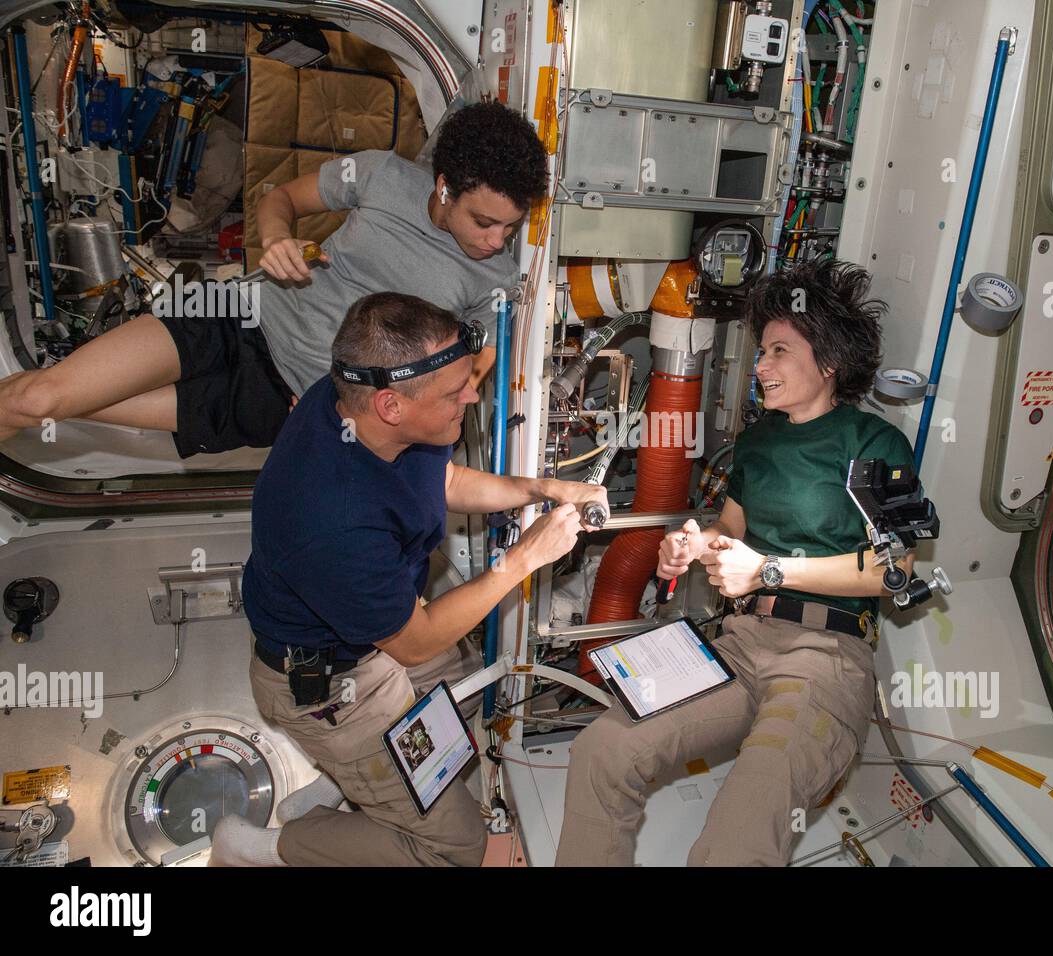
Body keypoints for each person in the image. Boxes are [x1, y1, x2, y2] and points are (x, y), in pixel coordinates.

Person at [209, 292, 606, 867]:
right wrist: (522, 559)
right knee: (456, 850)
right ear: (391, 406)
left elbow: (443, 482)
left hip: (374, 637)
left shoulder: (356, 400)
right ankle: (260, 848)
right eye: (456, 393)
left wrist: (543, 490)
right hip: (334, 688)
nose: (472, 395)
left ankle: (356, 782)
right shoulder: (331, 515)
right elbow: (415, 641)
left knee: (471, 680)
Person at [555, 258, 916, 866]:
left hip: (824, 660)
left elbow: (894, 569)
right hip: (740, 644)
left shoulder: (874, 443)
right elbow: (732, 529)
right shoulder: (757, 443)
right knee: (603, 752)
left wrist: (768, 571)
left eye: (779, 350)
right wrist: (693, 543)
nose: (761, 366)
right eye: (760, 351)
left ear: (829, 362)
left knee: (735, 844)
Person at [0, 101, 547, 456]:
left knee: (46, 406)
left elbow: (466, 373)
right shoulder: (382, 175)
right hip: (232, 315)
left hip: (279, 397)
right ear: (446, 187)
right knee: (38, 398)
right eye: (484, 221)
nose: (496, 241)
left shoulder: (494, 275)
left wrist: (351, 423)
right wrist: (278, 239)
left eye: (510, 226)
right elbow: (277, 198)